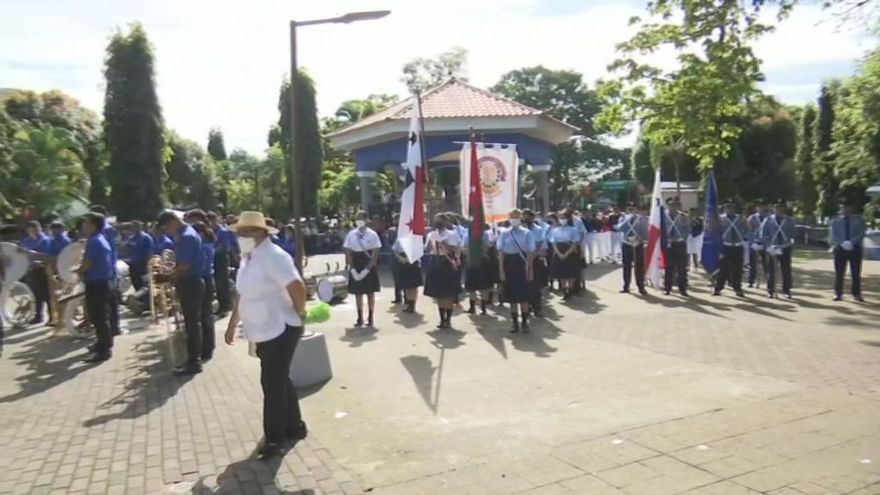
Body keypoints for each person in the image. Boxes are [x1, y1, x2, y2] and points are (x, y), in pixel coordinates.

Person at [223, 211, 308, 459]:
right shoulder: (248, 258)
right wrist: (232, 324)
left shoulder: (274, 256)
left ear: (261, 232)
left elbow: (297, 287)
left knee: (271, 383)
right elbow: (242, 294)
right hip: (262, 329)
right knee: (279, 379)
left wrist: (300, 313)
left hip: (281, 327)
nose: (241, 237)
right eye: (239, 233)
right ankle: (295, 426)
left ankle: (274, 438)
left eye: (246, 232)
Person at [157, 210, 206, 375]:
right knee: (190, 324)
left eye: (167, 228)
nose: (167, 232)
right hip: (188, 283)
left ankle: (194, 361)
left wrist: (167, 277)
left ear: (172, 222)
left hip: (191, 283)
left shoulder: (187, 237)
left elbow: (184, 267)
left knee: (192, 325)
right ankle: (192, 358)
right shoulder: (184, 235)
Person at [78, 213, 115, 363]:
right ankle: (102, 343)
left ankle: (104, 351)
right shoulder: (100, 238)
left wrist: (78, 271)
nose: (83, 226)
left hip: (97, 283)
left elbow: (88, 263)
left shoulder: (94, 241)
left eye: (86, 223)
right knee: (99, 316)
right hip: (100, 282)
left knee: (99, 317)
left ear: (93, 226)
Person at [498, 209, 536, 332]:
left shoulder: (527, 233)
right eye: (512, 216)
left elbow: (530, 253)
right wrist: (501, 270)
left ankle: (525, 323)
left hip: (522, 265)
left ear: (520, 218)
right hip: (508, 265)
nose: (514, 218)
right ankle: (514, 323)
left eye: (516, 216)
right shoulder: (504, 233)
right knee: (512, 298)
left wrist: (530, 269)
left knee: (524, 297)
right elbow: (501, 253)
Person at [343, 211, 381, 327]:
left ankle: (370, 316)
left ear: (366, 219)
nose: (358, 220)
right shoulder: (351, 234)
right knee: (358, 293)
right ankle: (360, 317)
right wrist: (352, 269)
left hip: (368, 262)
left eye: (361, 218)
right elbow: (348, 252)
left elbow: (375, 253)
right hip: (356, 262)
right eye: (357, 218)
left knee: (370, 292)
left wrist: (367, 269)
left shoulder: (372, 234)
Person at [424, 213, 462, 329]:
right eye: (436, 220)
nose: (438, 223)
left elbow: (454, 248)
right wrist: (430, 241)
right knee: (439, 294)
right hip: (435, 261)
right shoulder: (431, 234)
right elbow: (427, 249)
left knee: (448, 294)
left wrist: (442, 242)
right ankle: (442, 319)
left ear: (445, 222)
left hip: (447, 262)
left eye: (440, 220)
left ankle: (448, 319)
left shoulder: (452, 234)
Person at [89, 205, 121, 336]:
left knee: (108, 302)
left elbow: (108, 251)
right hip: (108, 268)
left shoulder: (106, 230)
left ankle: (113, 328)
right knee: (109, 301)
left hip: (106, 269)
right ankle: (112, 328)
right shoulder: (105, 230)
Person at [760, 201, 796, 299]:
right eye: (777, 208)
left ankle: (786, 290)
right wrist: (768, 245)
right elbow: (763, 234)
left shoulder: (789, 220)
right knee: (771, 270)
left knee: (786, 269)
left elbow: (793, 233)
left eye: (781, 209)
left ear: (783, 210)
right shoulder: (768, 220)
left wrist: (790, 242)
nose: (779, 210)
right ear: (774, 209)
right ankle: (770, 290)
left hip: (785, 247)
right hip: (773, 247)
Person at [830, 203, 866, 302]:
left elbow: (861, 234)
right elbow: (833, 235)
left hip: (855, 249)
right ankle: (838, 293)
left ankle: (856, 294)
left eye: (847, 208)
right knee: (839, 272)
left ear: (851, 209)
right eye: (843, 208)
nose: (845, 210)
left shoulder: (859, 220)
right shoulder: (835, 221)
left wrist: (852, 242)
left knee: (855, 273)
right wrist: (842, 243)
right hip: (840, 249)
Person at [192, 222, 217, 361]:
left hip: (205, 280)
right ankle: (207, 347)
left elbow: (200, 266)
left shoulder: (204, 247)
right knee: (205, 316)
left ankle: (207, 349)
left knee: (205, 316)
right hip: (207, 279)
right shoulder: (206, 245)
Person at [714, 201, 748, 297]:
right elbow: (717, 232)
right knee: (723, 269)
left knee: (737, 269)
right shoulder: (720, 219)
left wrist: (744, 236)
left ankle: (737, 288)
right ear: (725, 209)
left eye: (731, 208)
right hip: (725, 246)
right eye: (727, 208)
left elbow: (746, 229)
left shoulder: (741, 218)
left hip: (737, 246)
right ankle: (718, 288)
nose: (730, 210)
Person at [21, 220, 51, 324]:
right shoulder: (26, 240)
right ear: (28, 230)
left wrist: (33, 253)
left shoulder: (45, 240)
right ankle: (38, 316)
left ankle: (52, 316)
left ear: (40, 229)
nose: (34, 232)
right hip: (30, 270)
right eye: (32, 230)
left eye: (36, 230)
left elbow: (48, 255)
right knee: (34, 294)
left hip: (41, 269)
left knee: (46, 294)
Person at [207, 211, 236, 315]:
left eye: (210, 221)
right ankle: (221, 306)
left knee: (223, 283)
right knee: (218, 284)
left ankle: (226, 307)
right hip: (214, 258)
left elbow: (225, 247)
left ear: (214, 220)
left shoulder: (223, 231)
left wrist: (212, 251)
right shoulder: (211, 231)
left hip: (222, 258)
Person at [617, 202, 648, 295]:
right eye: (629, 209)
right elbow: (619, 228)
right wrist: (626, 219)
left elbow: (645, 232)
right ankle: (626, 286)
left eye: (633, 209)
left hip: (637, 244)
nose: (631, 211)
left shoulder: (641, 219)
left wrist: (639, 239)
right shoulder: (623, 218)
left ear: (636, 209)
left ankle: (641, 286)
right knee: (626, 266)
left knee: (639, 266)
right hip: (627, 243)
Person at [463, 223, 494, 316]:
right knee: (481, 285)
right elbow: (486, 248)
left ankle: (474, 308)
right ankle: (481, 308)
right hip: (480, 261)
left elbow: (464, 249)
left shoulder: (468, 235)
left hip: (473, 261)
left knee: (473, 286)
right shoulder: (484, 234)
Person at [550, 211, 581, 301]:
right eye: (561, 218)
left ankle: (570, 290)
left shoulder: (573, 230)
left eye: (564, 218)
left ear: (568, 219)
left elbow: (575, 243)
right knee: (561, 273)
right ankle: (564, 291)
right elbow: (553, 242)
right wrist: (558, 253)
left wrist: (567, 253)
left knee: (571, 273)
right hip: (559, 251)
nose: (562, 219)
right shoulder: (555, 230)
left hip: (570, 252)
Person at [664, 197, 690, 296]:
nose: (673, 206)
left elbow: (688, 229)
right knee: (669, 267)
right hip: (669, 243)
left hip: (679, 243)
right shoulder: (663, 215)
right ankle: (667, 288)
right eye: (671, 204)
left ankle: (682, 288)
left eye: (675, 204)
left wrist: (683, 238)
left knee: (681, 267)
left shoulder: (683, 216)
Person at [523, 209, 547, 317]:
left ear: (532, 218)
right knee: (524, 285)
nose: (525, 219)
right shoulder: (520, 230)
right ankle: (526, 307)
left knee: (535, 285)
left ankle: (537, 308)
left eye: (528, 217)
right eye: (524, 217)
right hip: (522, 260)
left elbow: (539, 246)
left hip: (535, 260)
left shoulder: (538, 230)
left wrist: (531, 258)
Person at [392, 236, 423, 313]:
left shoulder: (416, 238)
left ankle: (412, 305)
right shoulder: (400, 237)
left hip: (414, 261)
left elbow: (419, 251)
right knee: (406, 285)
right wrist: (400, 258)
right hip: (403, 261)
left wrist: (411, 259)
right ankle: (409, 304)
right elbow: (395, 250)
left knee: (413, 286)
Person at [125, 221, 154, 292]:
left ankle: (145, 297)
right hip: (133, 264)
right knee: (135, 282)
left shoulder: (146, 238)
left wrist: (147, 264)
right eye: (133, 226)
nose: (134, 228)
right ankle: (137, 296)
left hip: (142, 264)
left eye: (136, 226)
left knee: (144, 284)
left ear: (140, 227)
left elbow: (149, 252)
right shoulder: (132, 238)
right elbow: (126, 248)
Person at [747, 201, 769, 288]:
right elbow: (749, 231)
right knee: (752, 264)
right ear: (756, 208)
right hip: (754, 244)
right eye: (759, 207)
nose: (761, 208)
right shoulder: (752, 218)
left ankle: (768, 281)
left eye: (762, 207)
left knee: (766, 264)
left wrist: (766, 243)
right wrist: (752, 242)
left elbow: (771, 231)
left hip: (765, 244)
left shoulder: (769, 218)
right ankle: (751, 281)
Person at [387, 215, 403, 304]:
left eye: (397, 219)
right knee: (396, 277)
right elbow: (389, 241)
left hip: (403, 254)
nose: (395, 221)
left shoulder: (405, 229)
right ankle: (398, 297)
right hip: (394, 255)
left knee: (404, 276)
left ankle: (407, 298)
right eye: (394, 219)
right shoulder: (391, 230)